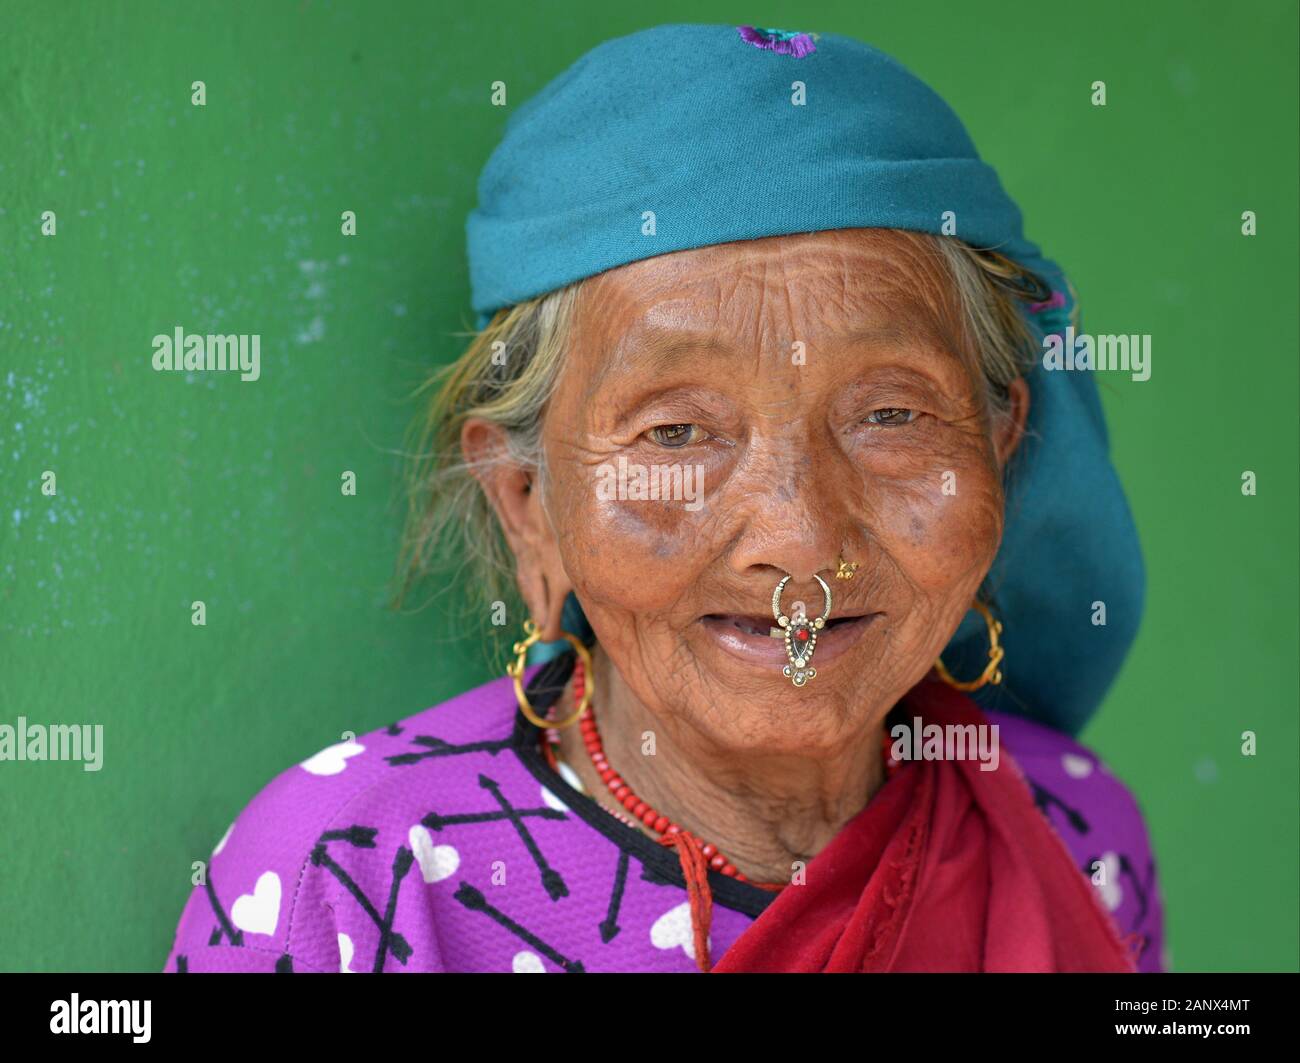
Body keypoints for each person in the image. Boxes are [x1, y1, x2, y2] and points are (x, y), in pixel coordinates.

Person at [164, 23, 1162, 974]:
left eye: (891, 415)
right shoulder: (354, 877)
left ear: (997, 447)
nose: (800, 543)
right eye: (675, 433)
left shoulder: (1071, 830)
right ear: (525, 499)